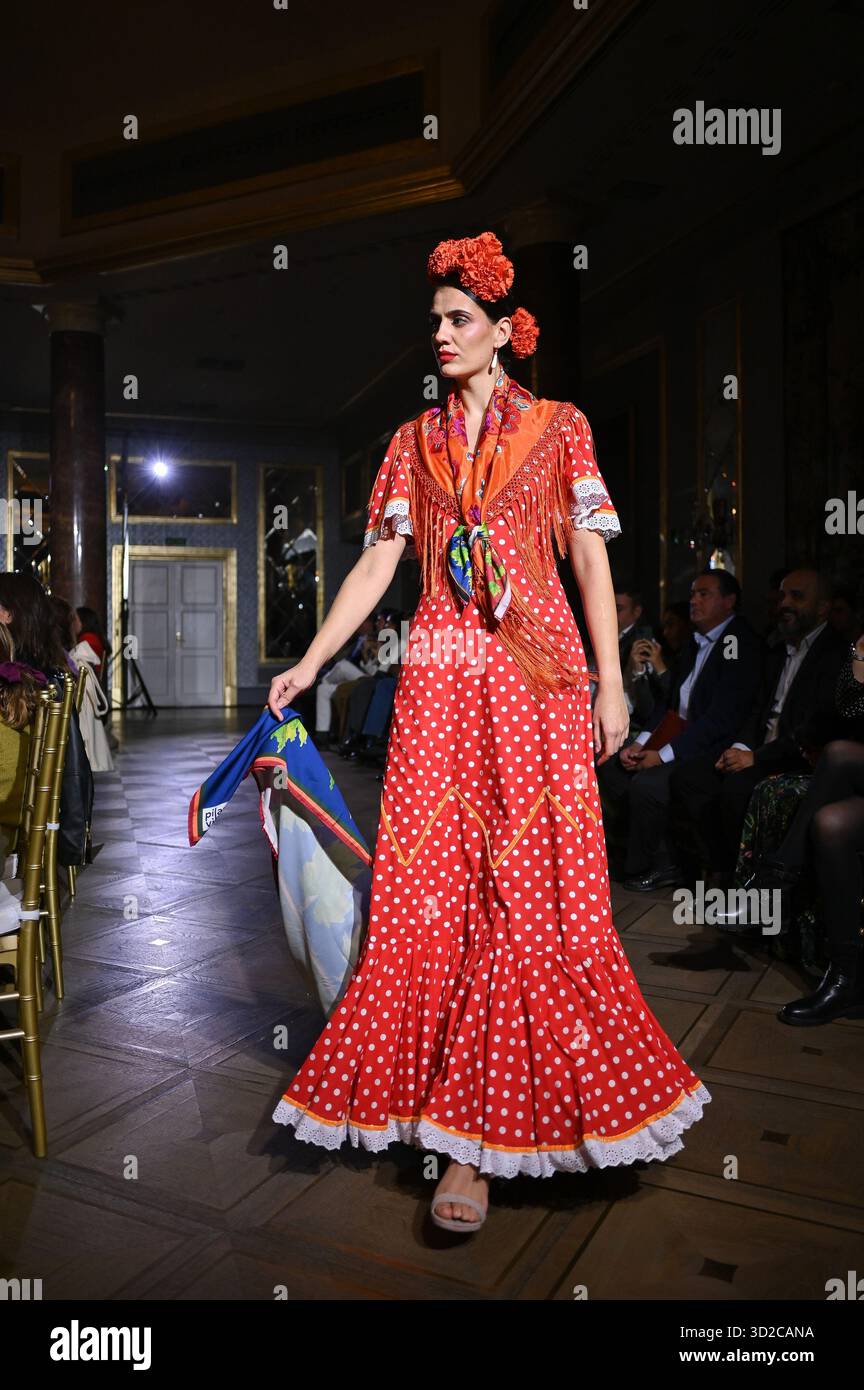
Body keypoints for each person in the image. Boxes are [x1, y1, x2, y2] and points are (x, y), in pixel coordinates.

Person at [265, 230, 711, 1233]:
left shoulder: (560, 427)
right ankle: (443, 1115)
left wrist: (612, 685)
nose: (440, 335)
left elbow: (592, 561)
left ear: (504, 330)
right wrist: (314, 661)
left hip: (540, 676)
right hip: (437, 680)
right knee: (431, 885)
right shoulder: (409, 442)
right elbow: (378, 568)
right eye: (434, 321)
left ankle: (475, 1147)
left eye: (458, 319)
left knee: (530, 891)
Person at [670, 569, 847, 882]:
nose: (785, 604)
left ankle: (747, 886)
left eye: (797, 597)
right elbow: (757, 710)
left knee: (736, 789)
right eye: (782, 596)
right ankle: (719, 870)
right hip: (759, 749)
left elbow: (817, 726)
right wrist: (740, 747)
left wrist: (757, 758)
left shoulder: (836, 654)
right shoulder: (777, 649)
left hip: (798, 757)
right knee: (691, 777)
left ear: (822, 608)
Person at [598, 570, 763, 890]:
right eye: (692, 593)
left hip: (713, 743)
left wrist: (662, 755)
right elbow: (669, 702)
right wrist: (643, 742)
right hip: (679, 731)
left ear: (729, 601)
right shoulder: (695, 639)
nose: (694, 600)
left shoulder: (738, 640)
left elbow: (721, 720)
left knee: (648, 784)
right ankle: (628, 854)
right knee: (613, 767)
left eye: (704, 594)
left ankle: (660, 865)